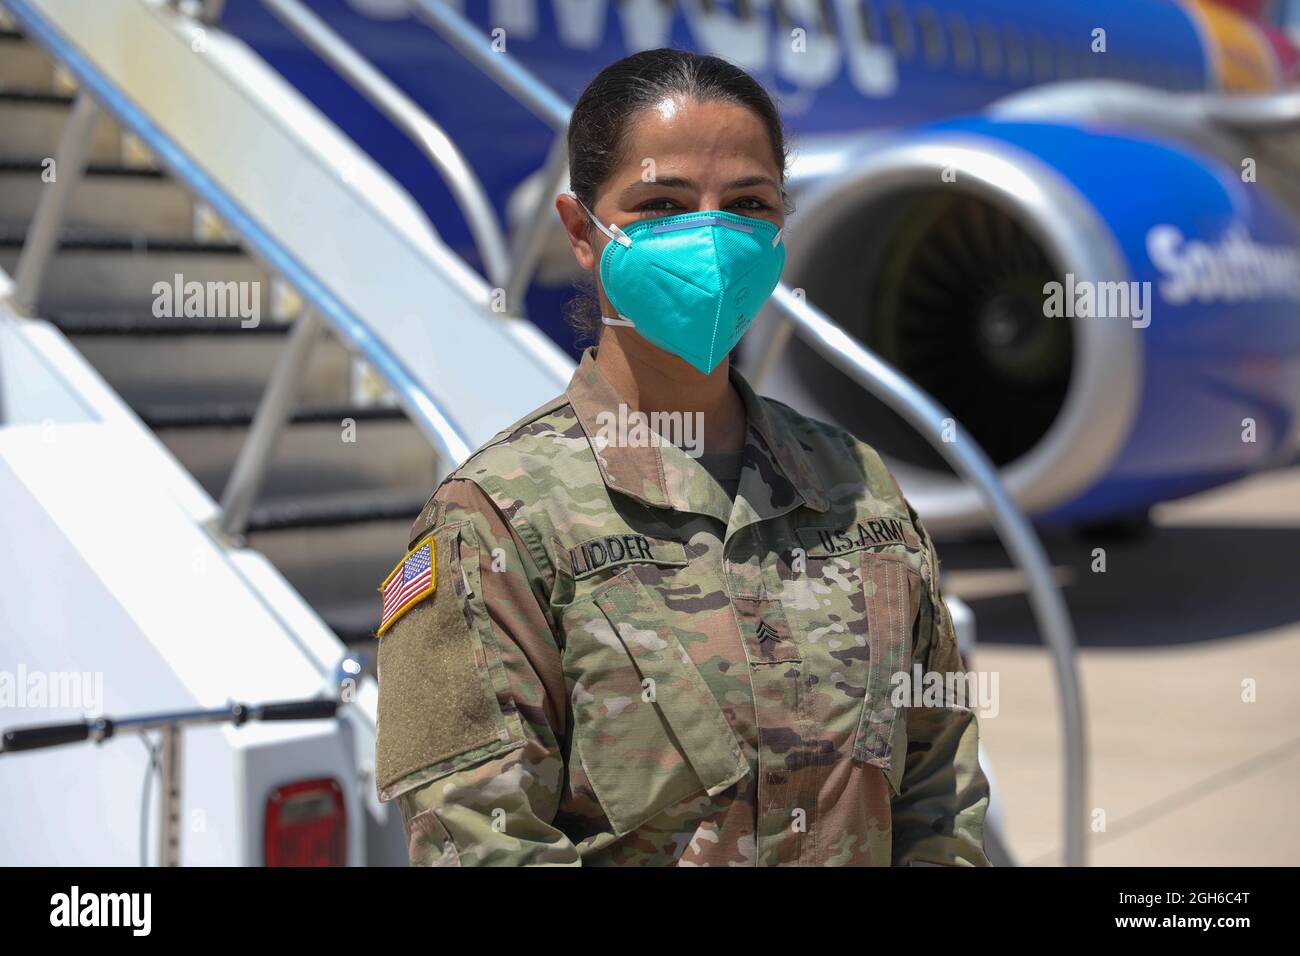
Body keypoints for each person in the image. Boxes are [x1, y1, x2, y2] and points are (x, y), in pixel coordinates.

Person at [372, 48, 990, 866]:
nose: (709, 237)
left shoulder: (858, 491)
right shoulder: (492, 523)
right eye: (661, 204)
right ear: (581, 232)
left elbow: (937, 787)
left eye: (746, 204)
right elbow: (483, 846)